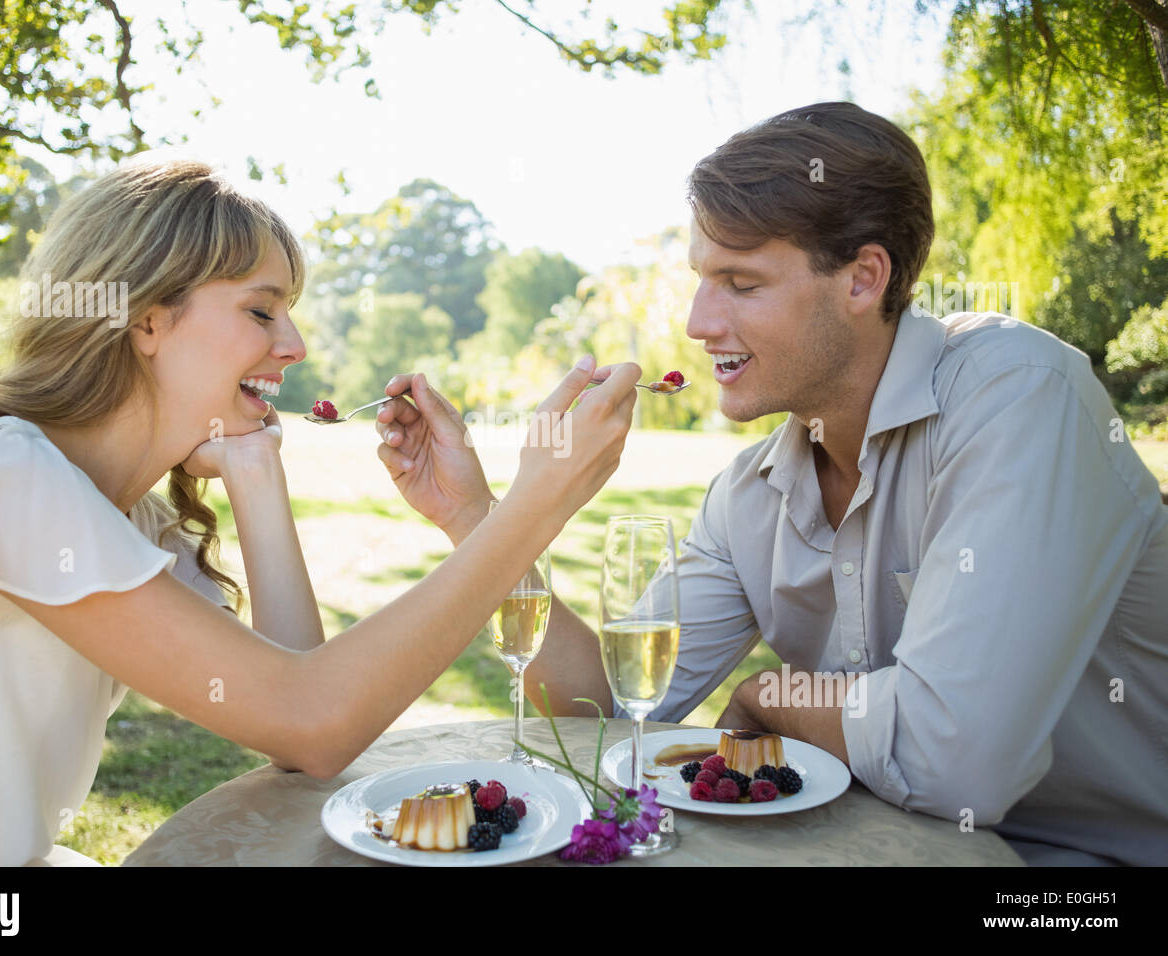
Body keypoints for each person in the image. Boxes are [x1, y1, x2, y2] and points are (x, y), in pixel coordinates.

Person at [375, 102, 1168, 866]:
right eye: (700, 278)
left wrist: (771, 698)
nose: (697, 321)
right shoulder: (749, 493)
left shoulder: (1020, 396)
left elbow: (952, 758)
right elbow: (603, 707)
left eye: (741, 283)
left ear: (862, 280)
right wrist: (481, 516)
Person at [0, 158, 640, 866]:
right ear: (145, 320)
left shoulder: (123, 515)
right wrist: (534, 507)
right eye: (262, 311)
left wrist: (254, 468)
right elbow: (312, 719)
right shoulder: (3, 474)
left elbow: (300, 729)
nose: (295, 344)